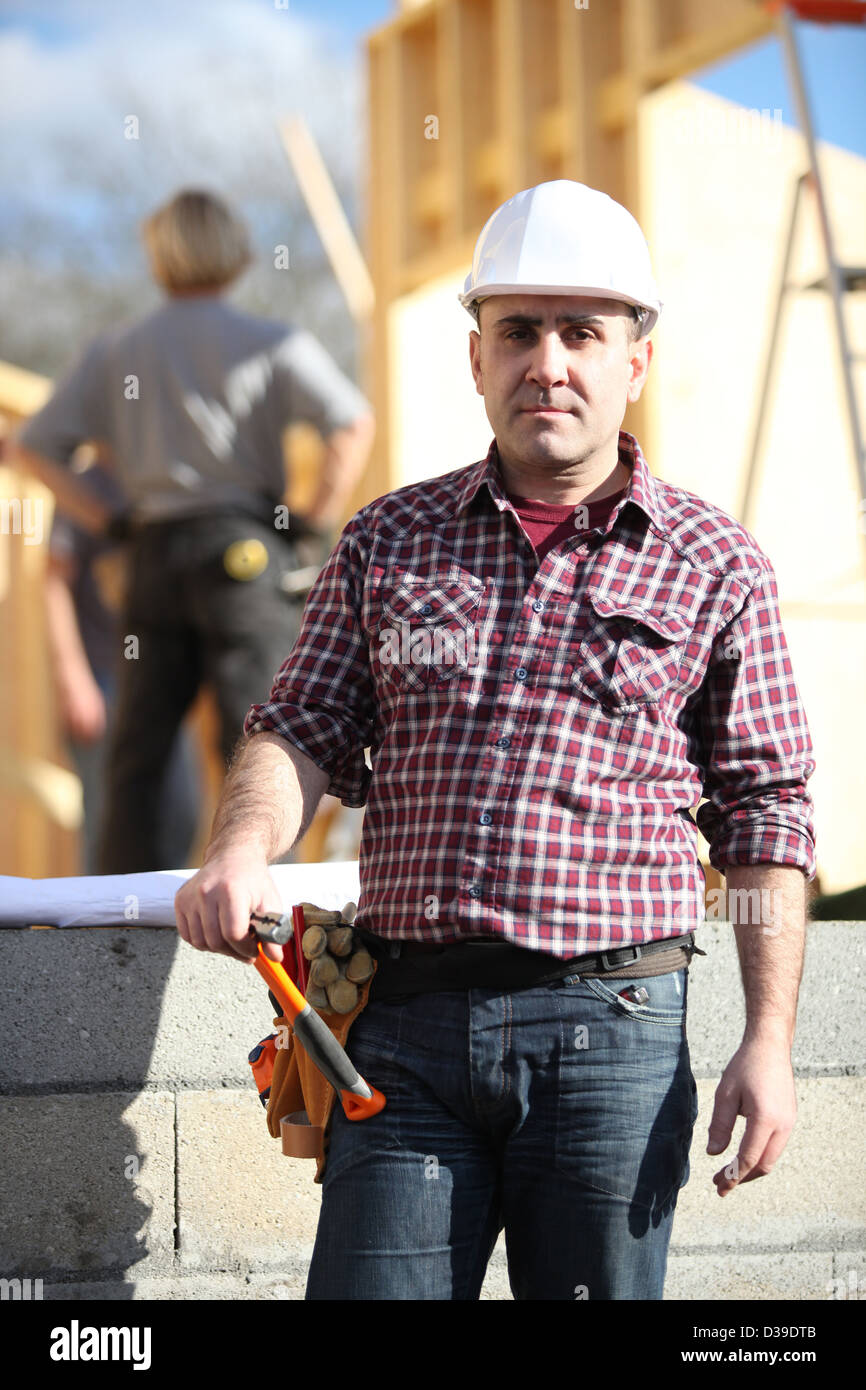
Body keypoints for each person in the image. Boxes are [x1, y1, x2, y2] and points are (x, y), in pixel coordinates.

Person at [174, 180, 816, 1300]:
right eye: (517, 331)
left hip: (609, 1034)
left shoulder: (716, 563)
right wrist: (240, 848)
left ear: (634, 363)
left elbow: (764, 810)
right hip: (402, 1028)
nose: (548, 362)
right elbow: (303, 722)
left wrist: (767, 1038)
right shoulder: (389, 538)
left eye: (581, 332)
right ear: (476, 358)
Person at [14, 188, 375, 872]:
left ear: (159, 256)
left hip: (151, 557)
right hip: (245, 555)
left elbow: (35, 446)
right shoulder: (272, 342)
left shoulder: (115, 350)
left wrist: (110, 520)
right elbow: (352, 422)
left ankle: (122, 929)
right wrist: (309, 518)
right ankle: (266, 910)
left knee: (140, 755)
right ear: (235, 253)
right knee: (266, 739)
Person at [44, 452, 200, 872]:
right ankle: (92, 936)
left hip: (158, 683)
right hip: (102, 679)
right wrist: (74, 680)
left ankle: (155, 926)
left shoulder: (167, 485)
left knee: (178, 811)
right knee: (107, 817)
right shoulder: (84, 486)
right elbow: (54, 582)